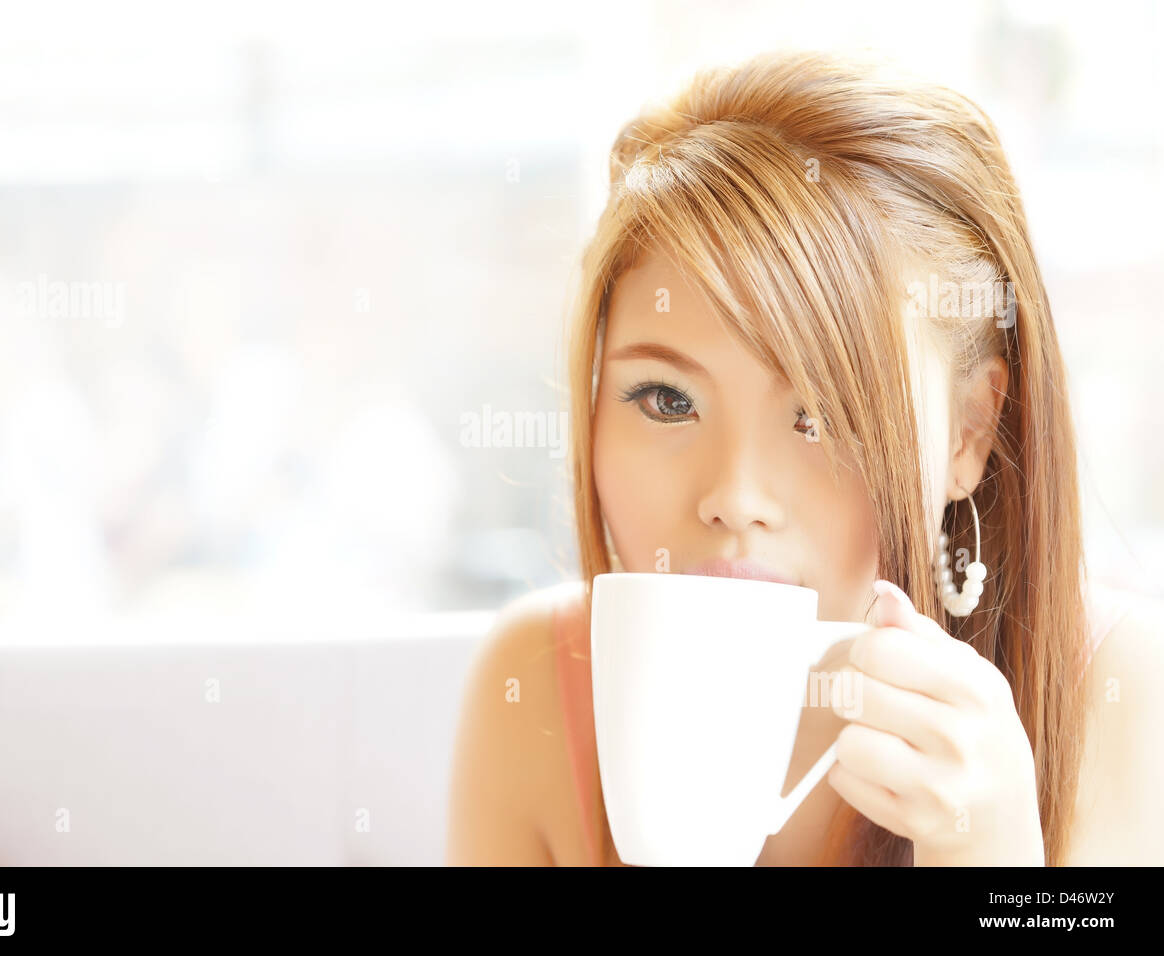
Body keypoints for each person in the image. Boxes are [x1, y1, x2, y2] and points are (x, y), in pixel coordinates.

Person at [446, 49, 1164, 866]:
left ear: (967, 434)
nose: (734, 496)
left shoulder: (1120, 697)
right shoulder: (535, 687)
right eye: (666, 401)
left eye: (823, 417)